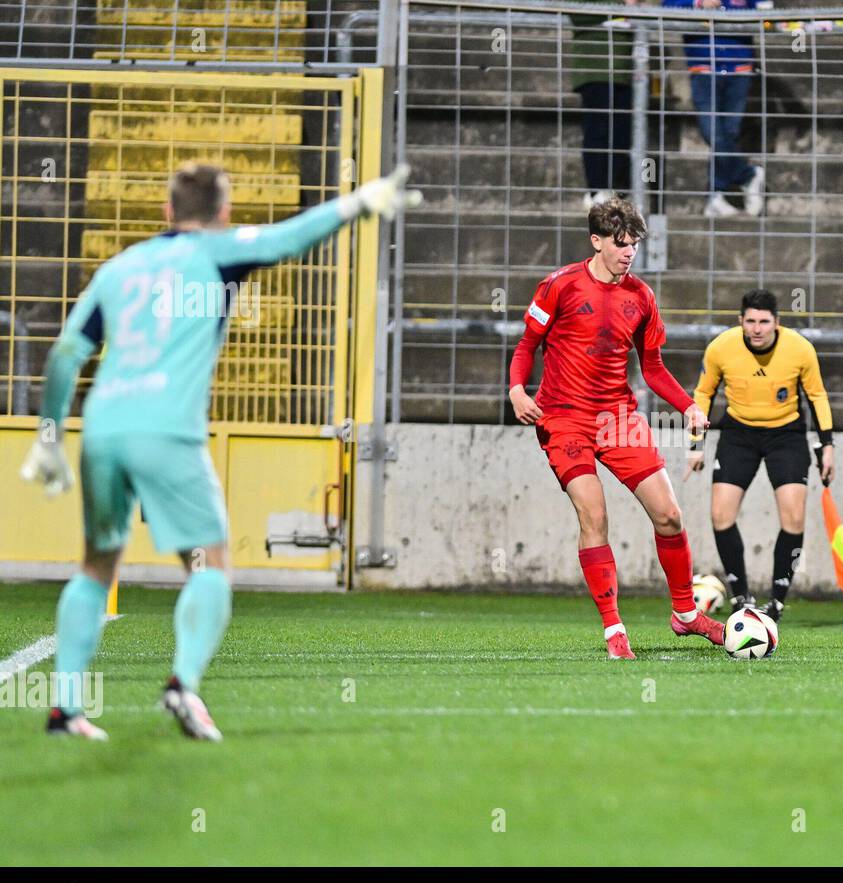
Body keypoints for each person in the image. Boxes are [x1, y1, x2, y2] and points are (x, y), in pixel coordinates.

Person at [20, 161, 420, 740]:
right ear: (224, 213)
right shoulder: (220, 253)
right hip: (166, 430)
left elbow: (64, 356)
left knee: (96, 564)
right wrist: (359, 202)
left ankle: (65, 709)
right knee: (209, 563)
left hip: (102, 428)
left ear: (167, 210)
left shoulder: (121, 266)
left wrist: (49, 440)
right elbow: (292, 235)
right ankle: (183, 685)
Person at [508, 197, 724, 659]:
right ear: (597, 241)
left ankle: (685, 614)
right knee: (595, 516)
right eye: (621, 244)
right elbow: (528, 345)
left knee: (668, 514)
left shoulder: (641, 298)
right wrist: (516, 390)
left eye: (635, 246)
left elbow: (654, 367)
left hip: (618, 419)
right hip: (563, 418)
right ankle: (613, 629)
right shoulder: (559, 286)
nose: (629, 253)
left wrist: (687, 405)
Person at [686, 289, 834, 621]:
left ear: (776, 323)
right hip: (738, 434)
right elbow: (703, 394)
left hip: (787, 435)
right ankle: (741, 598)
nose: (757, 328)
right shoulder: (721, 348)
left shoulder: (800, 349)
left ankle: (778, 600)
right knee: (720, 516)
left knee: (793, 519)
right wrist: (695, 446)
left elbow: (817, 396)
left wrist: (828, 447)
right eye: (750, 321)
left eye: (764, 322)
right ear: (740, 322)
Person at [661, 0, 765, 217]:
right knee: (712, 132)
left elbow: (765, 13)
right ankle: (748, 175)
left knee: (729, 133)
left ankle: (716, 195)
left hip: (740, 67)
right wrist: (698, 3)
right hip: (703, 65)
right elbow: (668, 8)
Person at [570, 0, 640, 209]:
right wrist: (621, 4)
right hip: (595, 67)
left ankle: (618, 190)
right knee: (598, 129)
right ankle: (597, 190)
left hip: (624, 69)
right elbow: (578, 13)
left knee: (623, 133)